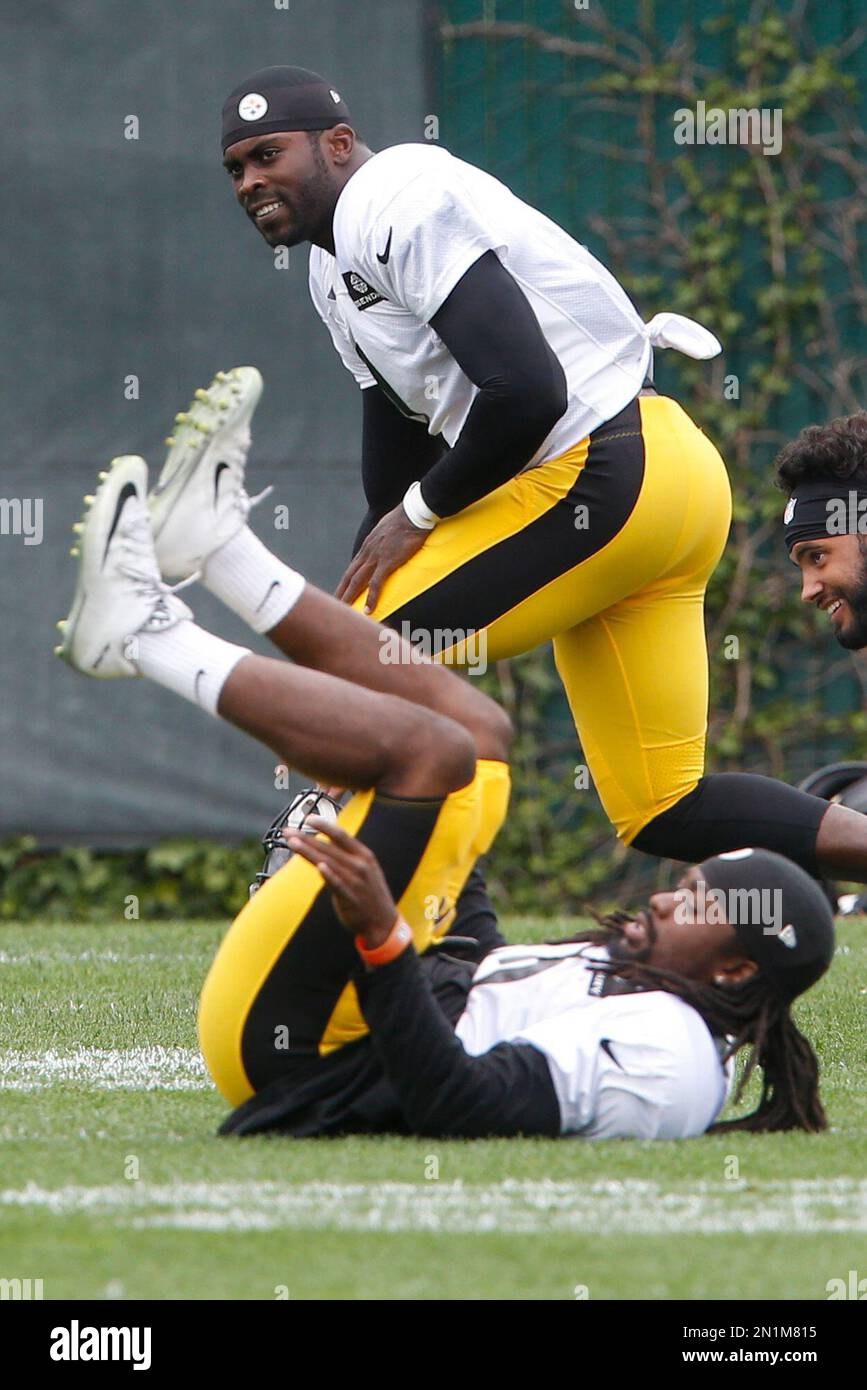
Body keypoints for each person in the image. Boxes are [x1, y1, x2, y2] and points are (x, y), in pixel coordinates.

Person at [217, 65, 867, 900]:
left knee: (362, 652)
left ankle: (401, 898)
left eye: (268, 154)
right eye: (236, 167)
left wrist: (388, 569)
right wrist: (364, 584)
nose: (252, 180)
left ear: (338, 145)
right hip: (661, 484)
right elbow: (398, 451)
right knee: (665, 807)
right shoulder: (328, 267)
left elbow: (526, 393)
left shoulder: (395, 197)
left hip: (605, 472)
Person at [55, 385, 512, 1098]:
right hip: (393, 995)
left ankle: (148, 638)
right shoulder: (646, 1007)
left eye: (697, 899)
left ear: (732, 976)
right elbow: (489, 980)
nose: (668, 903)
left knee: (435, 756)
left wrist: (387, 941)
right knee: (481, 737)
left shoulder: (665, 1060)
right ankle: (221, 550)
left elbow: (458, 1092)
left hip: (304, 1051)